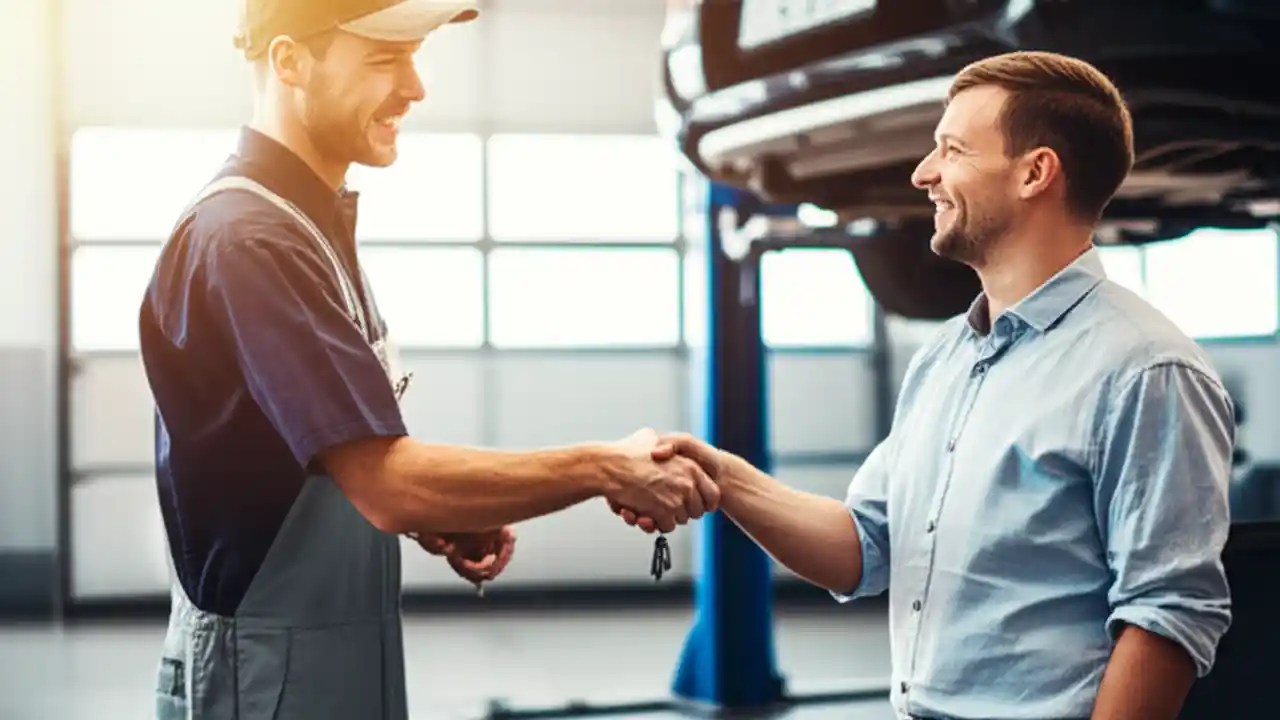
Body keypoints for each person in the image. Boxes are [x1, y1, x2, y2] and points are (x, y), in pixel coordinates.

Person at [137, 1, 718, 718]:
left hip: (323, 656)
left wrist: (438, 514)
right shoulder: (250, 242)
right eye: (385, 58)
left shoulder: (307, 228)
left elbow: (317, 454)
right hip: (261, 672)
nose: (416, 87)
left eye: (416, 55)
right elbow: (385, 482)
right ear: (290, 62)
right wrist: (606, 467)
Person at [615, 51, 1235, 720]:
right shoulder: (945, 358)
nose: (923, 173)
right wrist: (723, 479)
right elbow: (864, 547)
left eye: (952, 150)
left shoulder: (1144, 367)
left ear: (1036, 173)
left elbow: (1168, 614)